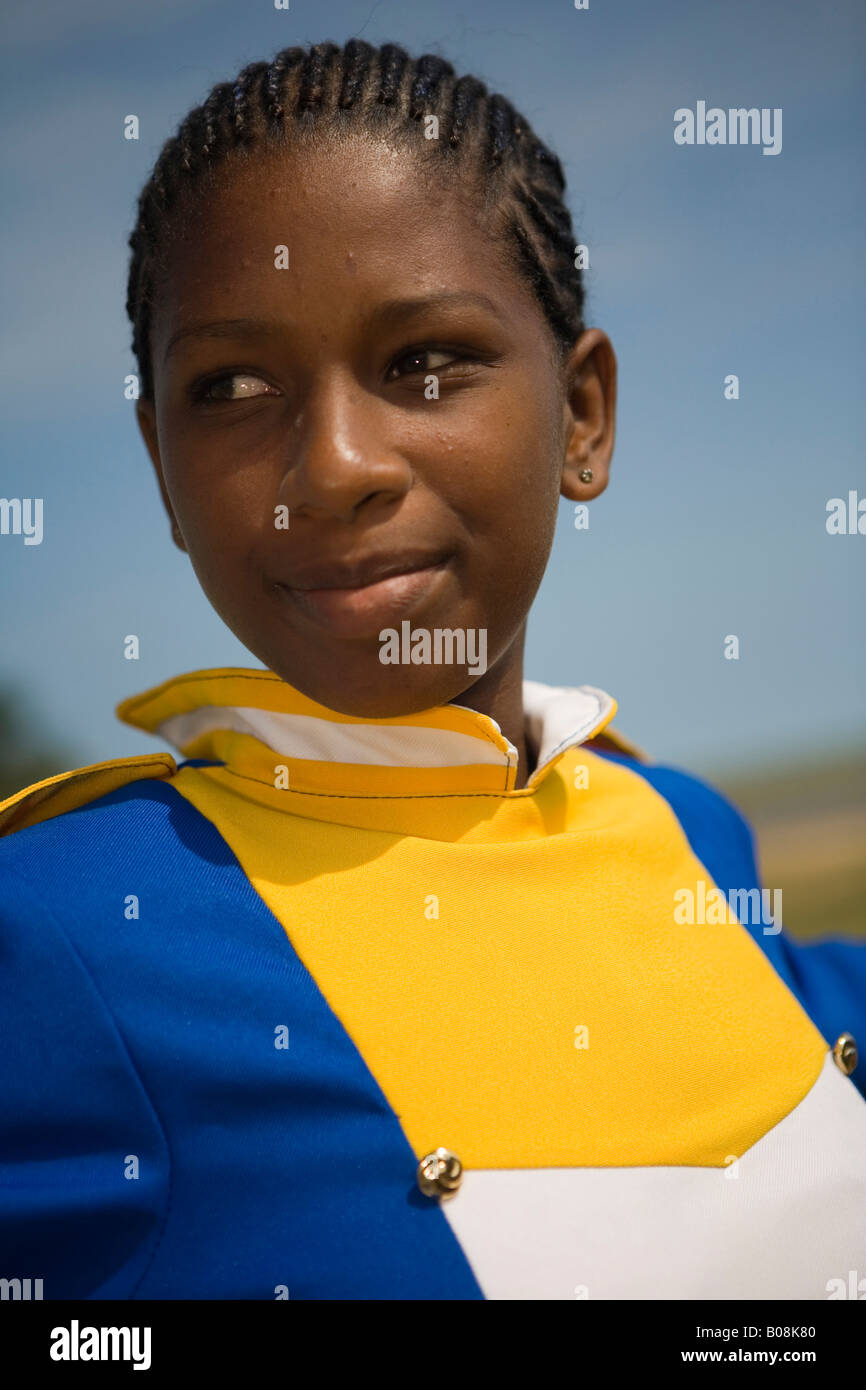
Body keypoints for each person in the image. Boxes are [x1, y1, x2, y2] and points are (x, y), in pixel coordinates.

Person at [1, 39, 864, 1301]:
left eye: (423, 362)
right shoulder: (55, 924)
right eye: (232, 385)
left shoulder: (685, 830)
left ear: (580, 418)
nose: (336, 463)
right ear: (160, 470)